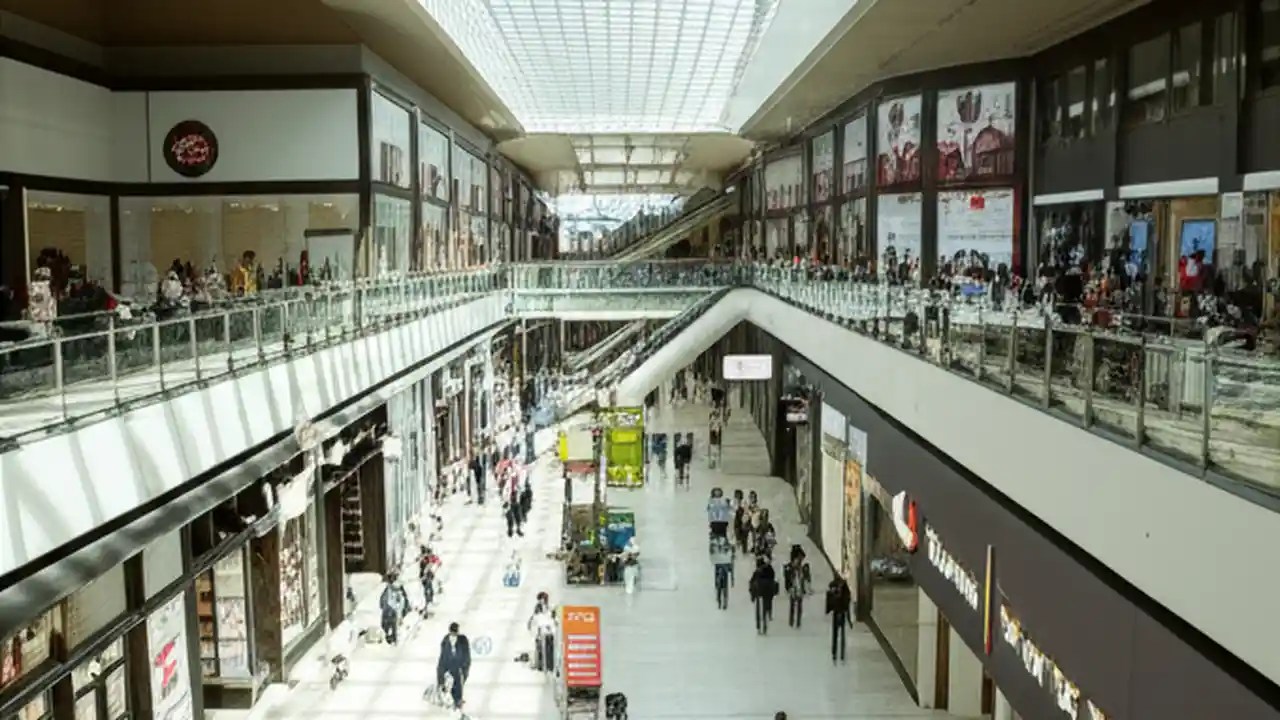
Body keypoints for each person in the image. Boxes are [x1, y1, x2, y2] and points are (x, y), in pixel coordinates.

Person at [437, 622, 471, 710]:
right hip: (449, 666)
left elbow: (466, 654)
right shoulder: (445, 641)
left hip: (459, 666)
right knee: (454, 682)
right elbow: (443, 658)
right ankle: (456, 701)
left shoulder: (463, 640)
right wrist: (441, 679)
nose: (453, 634)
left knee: (459, 681)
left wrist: (465, 666)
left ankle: (457, 700)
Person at [825, 577, 853, 664]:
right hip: (840, 613)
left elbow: (846, 604)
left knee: (837, 635)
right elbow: (847, 605)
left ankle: (837, 653)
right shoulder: (843, 591)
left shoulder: (837, 591)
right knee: (839, 635)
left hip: (838, 613)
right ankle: (839, 653)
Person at [748, 556, 778, 635]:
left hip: (759, 593)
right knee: (765, 610)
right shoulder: (769, 569)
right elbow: (773, 579)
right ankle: (764, 625)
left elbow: (752, 583)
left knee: (759, 611)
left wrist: (752, 595)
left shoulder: (757, 572)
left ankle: (759, 627)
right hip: (767, 593)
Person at [528, 592, 556, 672]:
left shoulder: (550, 607)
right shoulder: (537, 608)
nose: (542, 601)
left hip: (549, 632)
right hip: (541, 631)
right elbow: (536, 620)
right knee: (540, 648)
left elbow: (553, 618)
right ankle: (540, 665)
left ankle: (550, 665)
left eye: (544, 599)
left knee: (550, 648)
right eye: (541, 599)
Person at [379, 572, 409, 646]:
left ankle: (389, 640)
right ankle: (391, 640)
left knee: (389, 626)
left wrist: (383, 606)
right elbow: (403, 601)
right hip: (391, 611)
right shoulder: (396, 589)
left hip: (390, 611)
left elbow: (382, 599)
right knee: (391, 626)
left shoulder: (391, 589)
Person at [710, 535, 735, 609]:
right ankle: (722, 600)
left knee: (721, 586)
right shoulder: (722, 547)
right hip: (722, 568)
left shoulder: (720, 547)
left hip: (722, 568)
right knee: (722, 586)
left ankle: (721, 600)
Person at [784, 553, 807, 628]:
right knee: (793, 606)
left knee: (799, 607)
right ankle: (792, 621)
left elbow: (804, 579)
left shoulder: (801, 569)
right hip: (793, 589)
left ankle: (798, 622)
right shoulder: (790, 569)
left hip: (799, 589)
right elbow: (787, 579)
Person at [417, 546, 439, 617]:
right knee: (428, 590)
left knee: (429, 590)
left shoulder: (427, 559)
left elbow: (435, 561)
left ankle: (428, 603)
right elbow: (423, 569)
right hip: (425, 577)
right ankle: (427, 604)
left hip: (427, 577)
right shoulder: (424, 560)